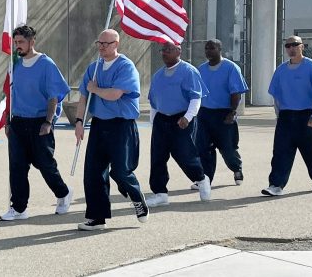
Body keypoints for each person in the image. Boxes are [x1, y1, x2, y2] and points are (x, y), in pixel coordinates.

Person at [73, 29, 148, 231]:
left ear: (116, 44)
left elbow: (115, 94)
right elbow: (83, 97)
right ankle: (97, 217)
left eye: (106, 43)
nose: (101, 47)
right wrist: (79, 121)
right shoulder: (93, 68)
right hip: (99, 124)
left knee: (121, 171)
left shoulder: (126, 66)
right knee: (93, 173)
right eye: (99, 43)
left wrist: (95, 89)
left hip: (122, 125)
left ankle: (136, 196)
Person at [0, 25, 73, 221]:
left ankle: (63, 193)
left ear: (32, 42)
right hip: (18, 123)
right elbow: (10, 95)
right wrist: (8, 121)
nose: (18, 46)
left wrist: (48, 122)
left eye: (21, 42)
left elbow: (53, 97)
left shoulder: (46, 64)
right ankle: (19, 208)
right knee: (17, 167)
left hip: (40, 122)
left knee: (45, 165)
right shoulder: (15, 65)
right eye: (15, 42)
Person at [262, 35, 312, 196]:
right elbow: (277, 96)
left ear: (302, 46)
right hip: (286, 116)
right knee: (281, 152)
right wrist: (279, 115)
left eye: (295, 45)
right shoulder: (281, 70)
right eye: (288, 46)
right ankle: (276, 185)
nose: (291, 48)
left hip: (307, 115)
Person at [145, 42, 211, 207]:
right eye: (163, 50)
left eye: (168, 50)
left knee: (185, 155)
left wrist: (188, 117)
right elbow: (153, 101)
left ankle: (201, 178)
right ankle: (160, 193)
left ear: (178, 51)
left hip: (181, 119)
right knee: (158, 157)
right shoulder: (158, 75)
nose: (164, 53)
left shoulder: (189, 71)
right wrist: (153, 122)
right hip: (162, 119)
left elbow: (196, 98)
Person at [194, 39, 248, 187]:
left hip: (224, 114)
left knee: (227, 149)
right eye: (206, 48)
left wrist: (232, 112)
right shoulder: (201, 69)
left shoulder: (231, 68)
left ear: (220, 49)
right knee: (203, 148)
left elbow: (236, 93)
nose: (208, 51)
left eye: (212, 48)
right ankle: (205, 180)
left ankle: (237, 168)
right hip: (205, 114)